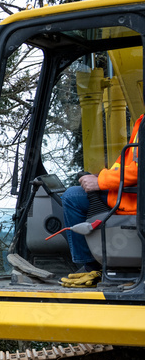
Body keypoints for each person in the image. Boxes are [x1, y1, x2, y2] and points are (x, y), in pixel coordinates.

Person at [59, 113, 143, 286]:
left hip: (133, 198)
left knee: (72, 198)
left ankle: (91, 266)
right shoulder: (142, 121)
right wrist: (103, 178)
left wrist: (101, 182)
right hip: (131, 192)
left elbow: (139, 170)